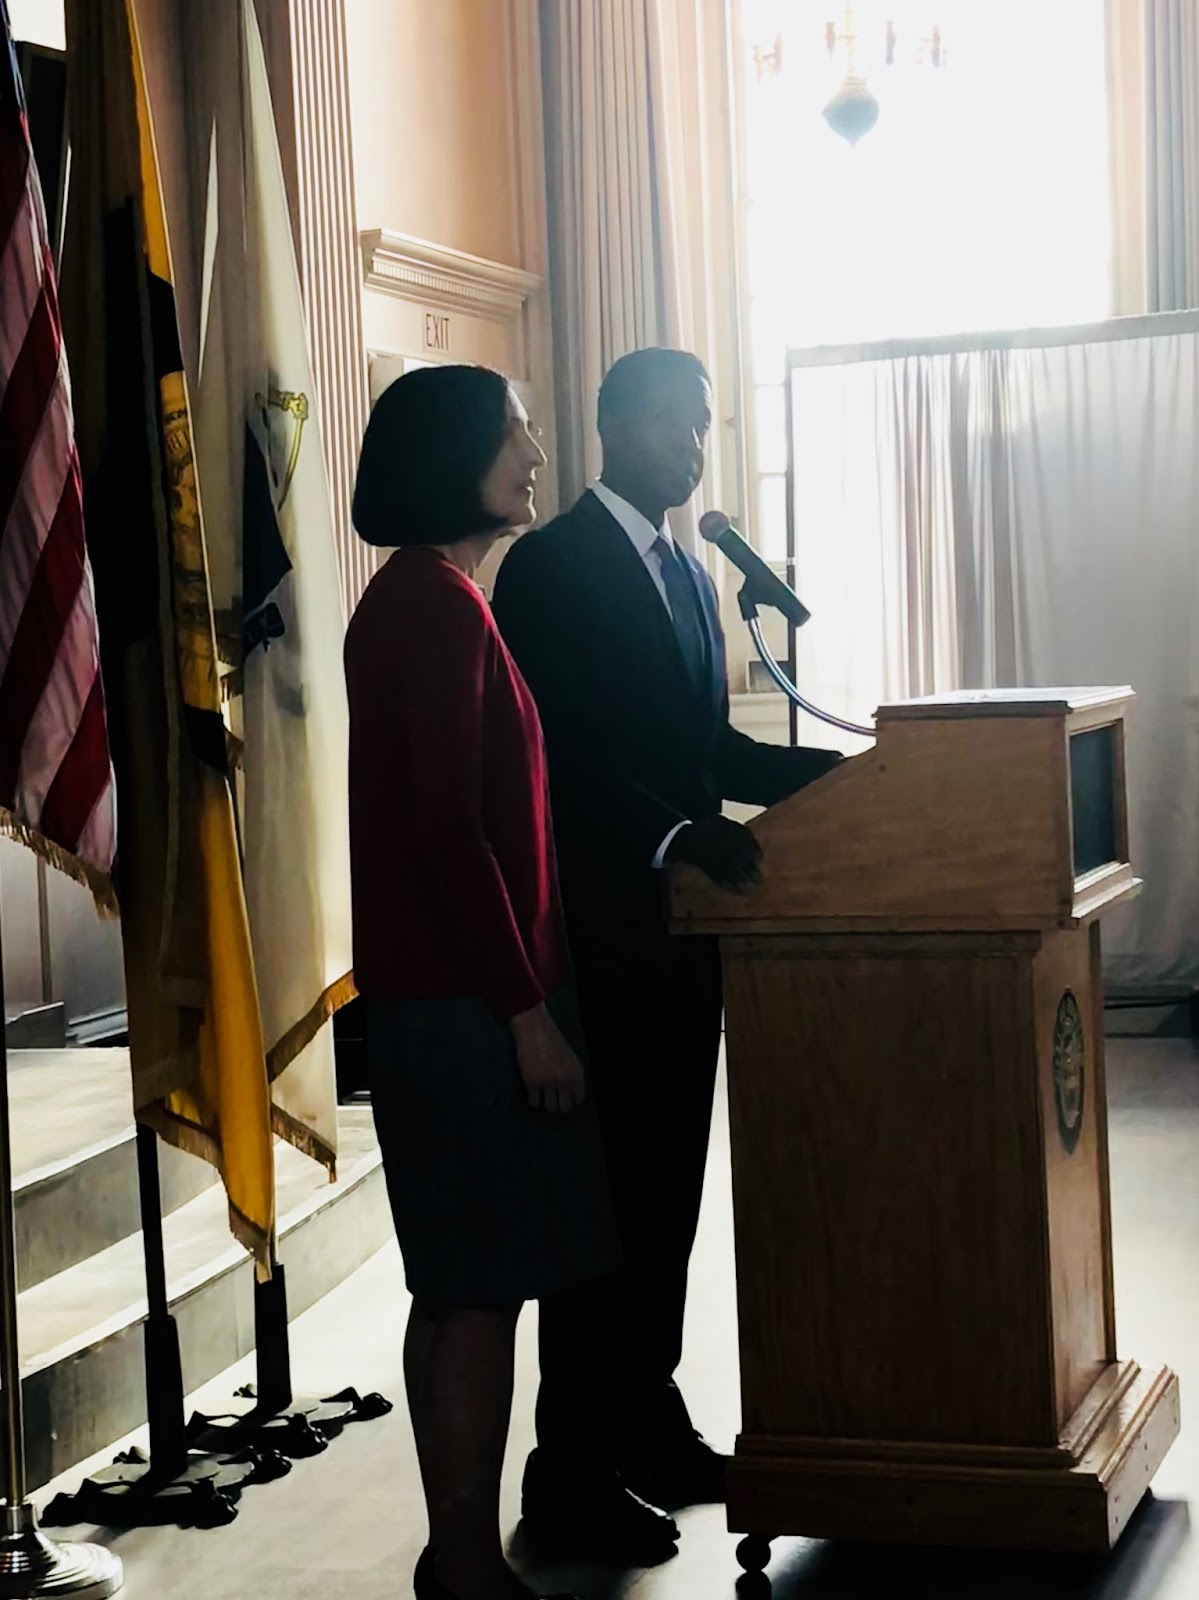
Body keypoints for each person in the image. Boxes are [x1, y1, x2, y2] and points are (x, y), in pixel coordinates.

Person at [492, 347, 842, 1560]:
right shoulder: (547, 567)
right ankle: (564, 1475)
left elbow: (708, 756)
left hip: (689, 946)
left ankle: (646, 1418)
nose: (693, 446)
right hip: (598, 938)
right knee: (605, 1218)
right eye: (672, 424)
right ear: (608, 425)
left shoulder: (692, 573)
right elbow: (559, 765)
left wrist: (837, 780)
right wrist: (668, 832)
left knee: (667, 1207)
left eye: (704, 425)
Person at [346, 365, 617, 1600]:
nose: (534, 450)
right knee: (473, 1293)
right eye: (514, 430)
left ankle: (455, 1550)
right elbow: (452, 836)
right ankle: (462, 1564)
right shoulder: (434, 607)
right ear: (454, 451)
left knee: (468, 1286)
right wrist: (526, 1014)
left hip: (449, 1005)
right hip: (464, 1012)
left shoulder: (428, 598)